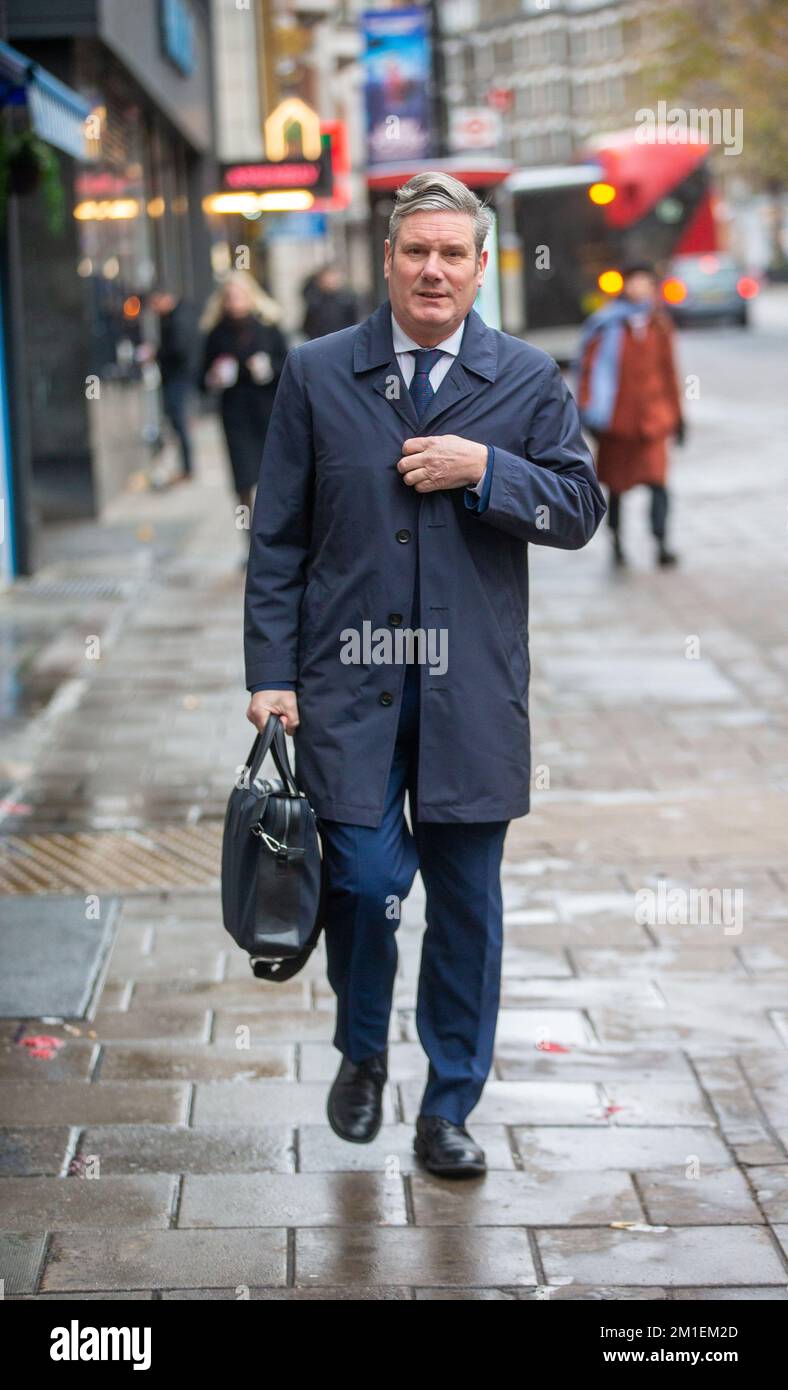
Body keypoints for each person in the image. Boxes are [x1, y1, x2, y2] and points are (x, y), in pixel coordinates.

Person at [244, 172, 606, 1177]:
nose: (434, 269)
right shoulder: (318, 372)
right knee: (361, 883)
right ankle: (362, 1047)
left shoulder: (526, 379)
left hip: (471, 697)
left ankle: (448, 1103)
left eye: (453, 253)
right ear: (388, 261)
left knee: (467, 910)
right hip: (349, 688)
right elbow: (275, 537)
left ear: (480, 267)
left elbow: (578, 511)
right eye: (416, 251)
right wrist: (270, 672)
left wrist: (482, 471)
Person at [576, 261, 685, 567]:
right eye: (635, 282)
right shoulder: (605, 325)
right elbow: (588, 371)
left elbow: (670, 373)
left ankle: (661, 542)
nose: (641, 288)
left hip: (653, 422)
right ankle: (617, 544)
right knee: (617, 487)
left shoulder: (660, 325)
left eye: (646, 282)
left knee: (659, 484)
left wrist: (678, 416)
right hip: (616, 423)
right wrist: (587, 412)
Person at [199, 271, 288, 520]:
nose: (235, 301)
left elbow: (289, 367)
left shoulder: (268, 328)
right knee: (243, 478)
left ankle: (274, 530)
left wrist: (268, 369)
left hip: (267, 411)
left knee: (273, 475)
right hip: (235, 414)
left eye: (239, 295)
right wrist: (214, 378)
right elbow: (200, 379)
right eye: (230, 297)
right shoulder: (216, 334)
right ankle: (248, 536)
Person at [147, 288, 199, 484]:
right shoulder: (178, 315)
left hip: (179, 377)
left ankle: (187, 468)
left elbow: (179, 348)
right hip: (177, 376)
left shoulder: (179, 318)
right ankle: (185, 467)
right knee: (178, 422)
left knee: (180, 422)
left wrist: (157, 354)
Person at [302, 263, 359, 340]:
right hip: (320, 342)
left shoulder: (346, 300)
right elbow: (308, 326)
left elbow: (354, 322)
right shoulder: (316, 302)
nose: (330, 282)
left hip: (343, 340)